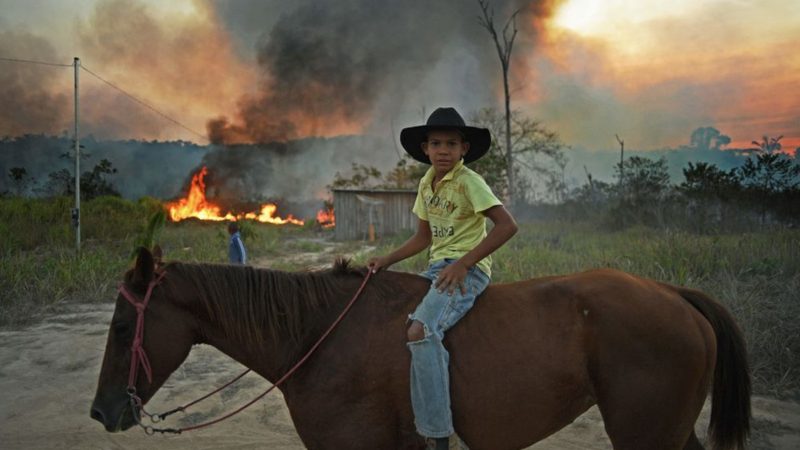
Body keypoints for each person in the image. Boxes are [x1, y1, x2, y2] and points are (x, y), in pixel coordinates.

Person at [368, 107, 518, 450]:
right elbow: (423, 238)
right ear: (425, 149)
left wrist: (464, 264)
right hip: (437, 267)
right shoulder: (426, 183)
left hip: (467, 270)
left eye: (452, 143)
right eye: (436, 143)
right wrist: (387, 260)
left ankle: (439, 435)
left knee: (421, 330)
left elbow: (507, 226)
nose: (443, 150)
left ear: (464, 148)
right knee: (391, 317)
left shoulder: (470, 182)